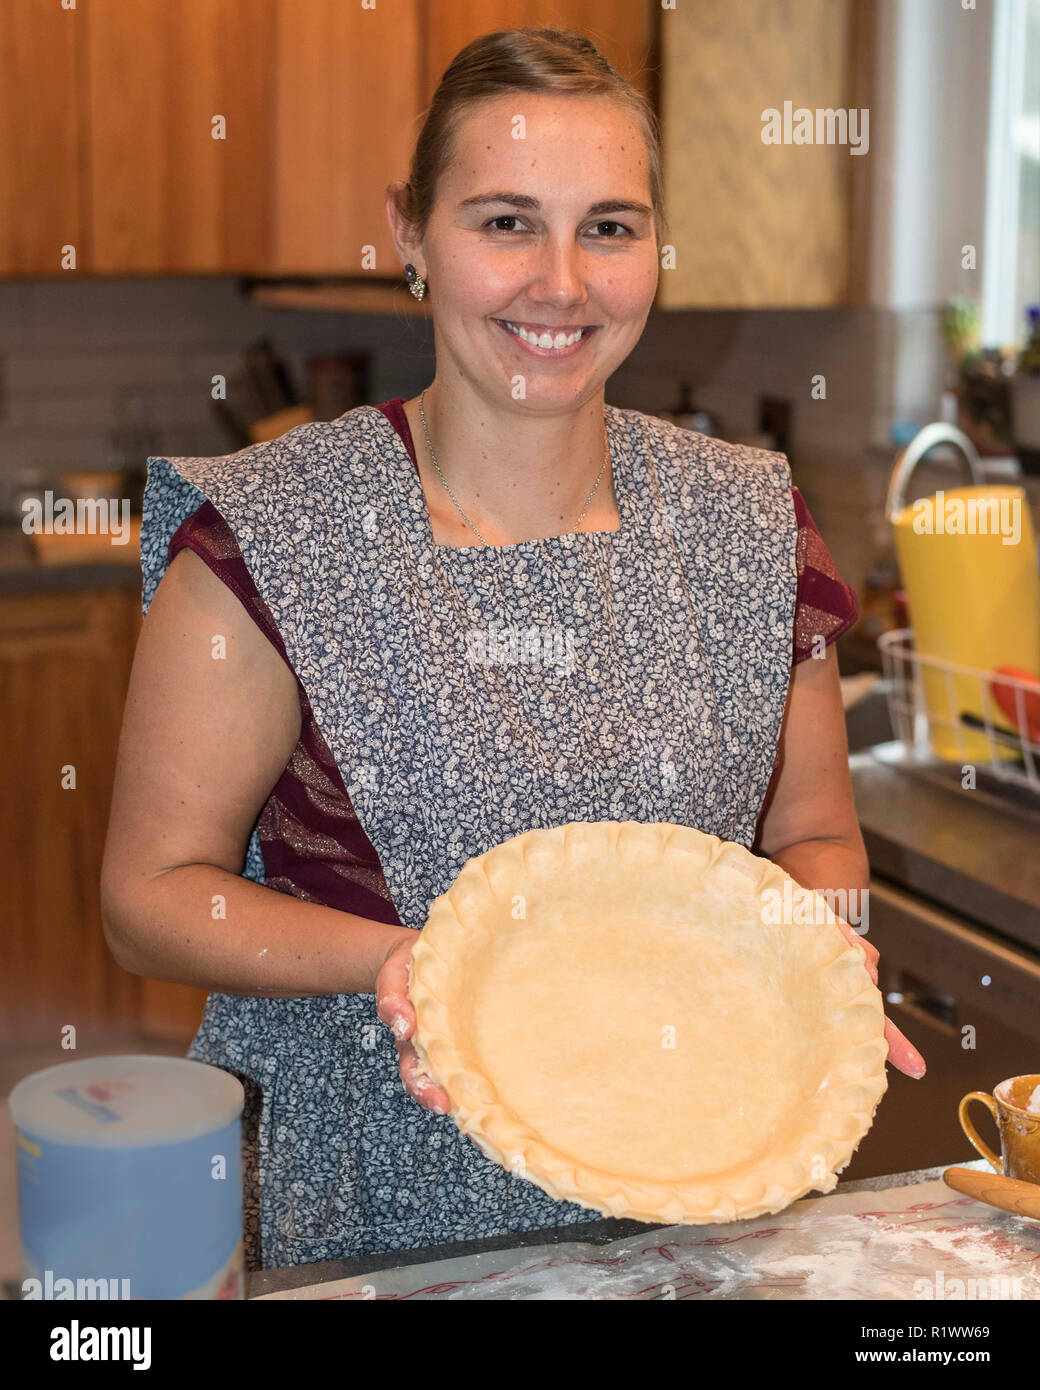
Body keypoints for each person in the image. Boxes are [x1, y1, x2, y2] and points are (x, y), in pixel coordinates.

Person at [101, 26, 925, 1274]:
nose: (560, 282)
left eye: (607, 225)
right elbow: (150, 893)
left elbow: (812, 840)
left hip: (685, 1184)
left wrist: (805, 960)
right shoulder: (275, 536)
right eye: (502, 222)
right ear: (408, 237)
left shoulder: (748, 524)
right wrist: (403, 964)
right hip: (365, 1197)